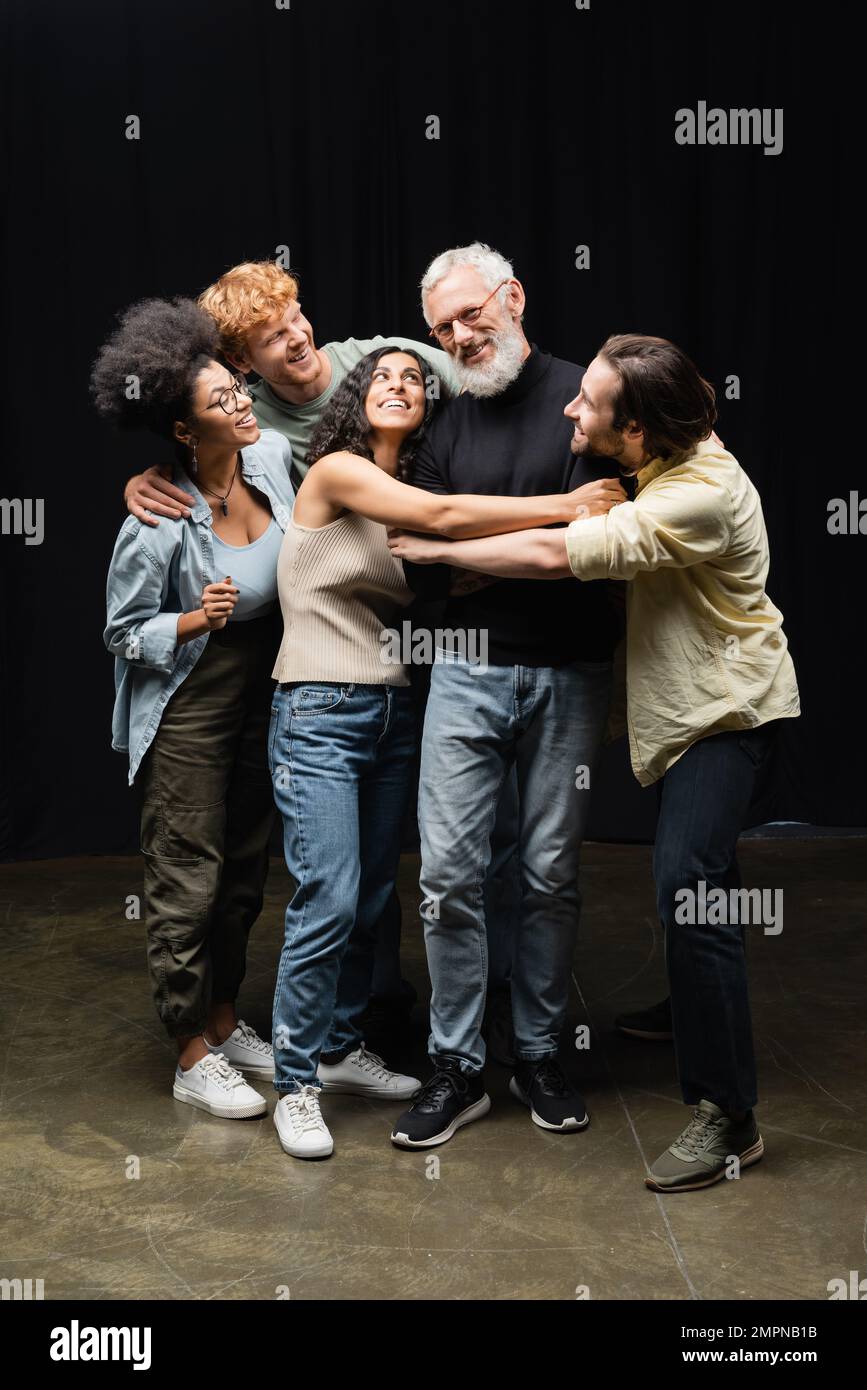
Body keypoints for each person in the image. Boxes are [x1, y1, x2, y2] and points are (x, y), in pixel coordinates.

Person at [388, 332, 801, 1190]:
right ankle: (668, 1012)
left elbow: (553, 553)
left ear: (640, 433)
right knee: (679, 887)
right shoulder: (668, 459)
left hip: (724, 715)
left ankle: (727, 1116)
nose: (570, 405)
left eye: (590, 404)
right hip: (686, 714)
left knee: (690, 890)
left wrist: (438, 550)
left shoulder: (695, 496)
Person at [119, 260, 516, 1048]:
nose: (296, 337)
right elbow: (203, 459)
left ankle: (401, 1016)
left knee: (396, 848)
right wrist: (154, 480)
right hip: (304, 661)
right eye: (270, 337)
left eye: (295, 315)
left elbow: (504, 385)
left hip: (411, 625)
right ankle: (255, 1042)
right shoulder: (253, 428)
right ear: (240, 365)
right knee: (263, 861)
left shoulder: (382, 364)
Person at [268, 344, 623, 1159]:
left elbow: (443, 554)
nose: (398, 384)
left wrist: (452, 561)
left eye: (411, 379)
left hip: (394, 707)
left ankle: (342, 1047)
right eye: (380, 376)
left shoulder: (412, 480)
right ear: (353, 395)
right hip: (319, 706)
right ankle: (299, 1082)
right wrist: (564, 507)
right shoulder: (335, 472)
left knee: (372, 899)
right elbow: (448, 520)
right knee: (333, 893)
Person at [384, 243, 627, 1151]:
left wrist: (471, 546)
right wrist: (523, 535)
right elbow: (418, 554)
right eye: (441, 327)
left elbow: (581, 548)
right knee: (448, 876)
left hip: (570, 672)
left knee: (548, 875)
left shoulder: (583, 398)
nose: (458, 336)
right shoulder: (442, 425)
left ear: (512, 298)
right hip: (462, 669)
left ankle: (535, 1052)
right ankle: (456, 1065)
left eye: (469, 315)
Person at [96, 297, 295, 1119]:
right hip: (188, 699)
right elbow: (120, 632)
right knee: (188, 873)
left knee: (245, 868)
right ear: (184, 431)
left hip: (264, 687)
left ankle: (224, 1023)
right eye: (222, 403)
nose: (242, 403)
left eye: (239, 391)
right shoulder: (158, 519)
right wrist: (189, 618)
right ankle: (188, 1052)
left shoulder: (277, 458)